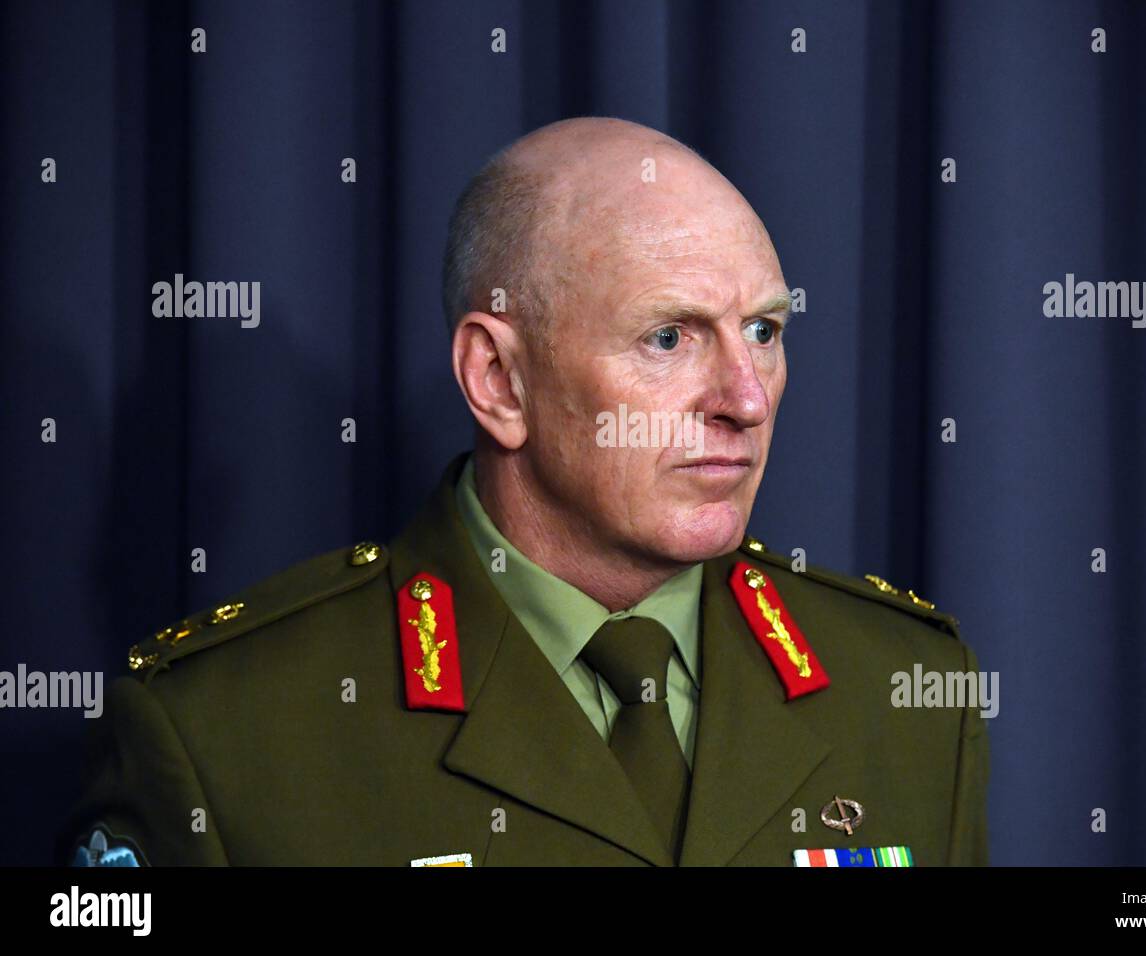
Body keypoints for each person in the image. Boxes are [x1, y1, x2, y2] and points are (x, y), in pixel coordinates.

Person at [60, 117, 989, 867]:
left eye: (763, 329)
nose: (746, 398)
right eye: (669, 338)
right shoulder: (225, 734)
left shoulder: (904, 693)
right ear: (499, 381)